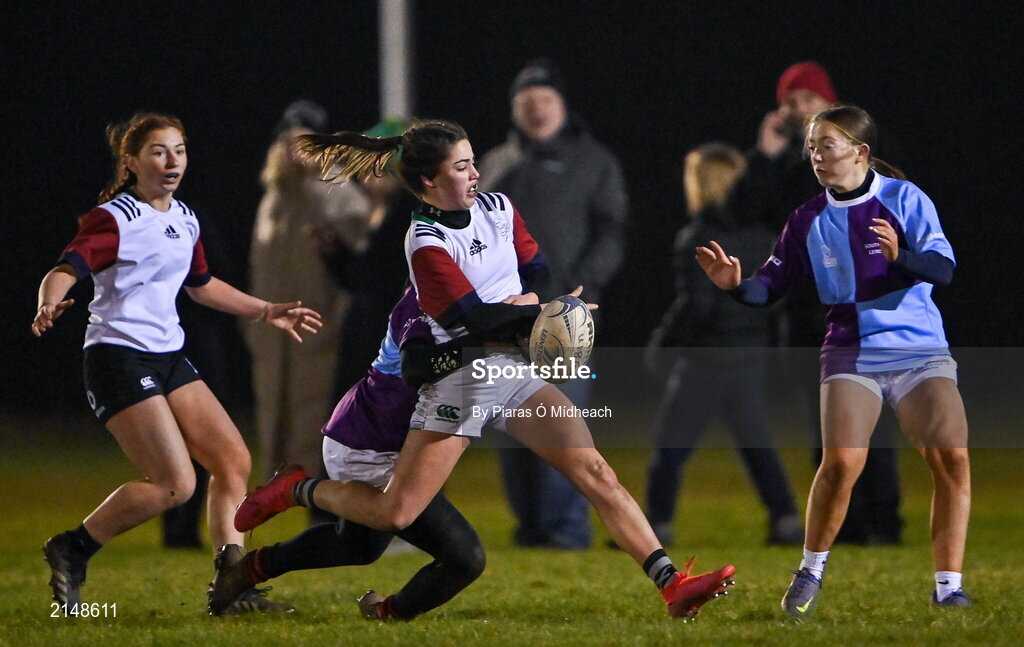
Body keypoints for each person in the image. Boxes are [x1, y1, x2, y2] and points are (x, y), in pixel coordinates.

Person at [234, 120, 736, 619]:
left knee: (596, 469)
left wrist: (537, 298)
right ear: (430, 181)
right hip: (458, 377)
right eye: (462, 166)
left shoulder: (497, 208)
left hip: (507, 367)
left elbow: (535, 266)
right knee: (398, 513)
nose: (476, 172)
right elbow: (470, 318)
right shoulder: (425, 241)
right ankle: (297, 488)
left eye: (473, 160)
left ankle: (672, 583)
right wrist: (539, 314)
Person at [32, 112, 322, 614]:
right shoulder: (116, 218)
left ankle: (232, 584)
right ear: (131, 161)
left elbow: (201, 285)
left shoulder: (184, 219)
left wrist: (266, 310)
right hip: (116, 356)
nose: (172, 161)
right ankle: (72, 548)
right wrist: (48, 300)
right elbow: (67, 267)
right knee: (176, 483)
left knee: (233, 461)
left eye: (179, 150)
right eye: (158, 151)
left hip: (168, 355)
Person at [696, 105, 971, 616]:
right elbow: (767, 289)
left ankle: (948, 588)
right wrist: (736, 287)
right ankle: (811, 570)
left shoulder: (905, 199)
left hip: (919, 350)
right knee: (843, 461)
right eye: (812, 147)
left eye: (827, 145)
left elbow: (944, 269)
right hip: (851, 348)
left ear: (860, 152)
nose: (817, 156)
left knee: (951, 456)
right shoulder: (807, 219)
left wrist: (901, 258)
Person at [209, 286, 485, 620]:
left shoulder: (492, 292)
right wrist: (492, 345)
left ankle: (244, 572)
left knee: (356, 545)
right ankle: (298, 490)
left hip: (394, 443)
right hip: (369, 443)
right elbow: (420, 367)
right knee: (462, 557)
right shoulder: (425, 298)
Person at [736, 61, 903, 544]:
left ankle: (883, 519)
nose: (799, 109)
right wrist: (764, 156)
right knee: (827, 424)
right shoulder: (788, 162)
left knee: (875, 421)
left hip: (868, 307)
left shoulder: (859, 152)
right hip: (808, 312)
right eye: (790, 102)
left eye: (808, 99)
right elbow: (746, 216)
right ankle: (845, 525)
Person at [477, 58, 628, 550]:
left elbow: (611, 231)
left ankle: (566, 532)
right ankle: (531, 528)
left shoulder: (594, 161)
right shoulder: (497, 162)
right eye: (527, 102)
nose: (537, 110)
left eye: (545, 100)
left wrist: (581, 287)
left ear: (562, 105)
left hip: (568, 317)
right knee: (513, 423)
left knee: (565, 427)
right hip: (507, 316)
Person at [643, 142, 802, 547]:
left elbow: (696, 305)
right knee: (757, 446)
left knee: (669, 449)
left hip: (706, 361)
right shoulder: (764, 234)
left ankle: (656, 529)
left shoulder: (698, 236)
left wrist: (664, 342)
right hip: (748, 357)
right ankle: (785, 520)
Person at [249, 100, 370, 484]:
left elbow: (360, 272)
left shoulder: (341, 194)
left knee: (318, 423)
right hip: (274, 339)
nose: (296, 150)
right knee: (277, 421)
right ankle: (286, 495)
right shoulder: (274, 199)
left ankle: (323, 500)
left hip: (321, 334)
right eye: (289, 141)